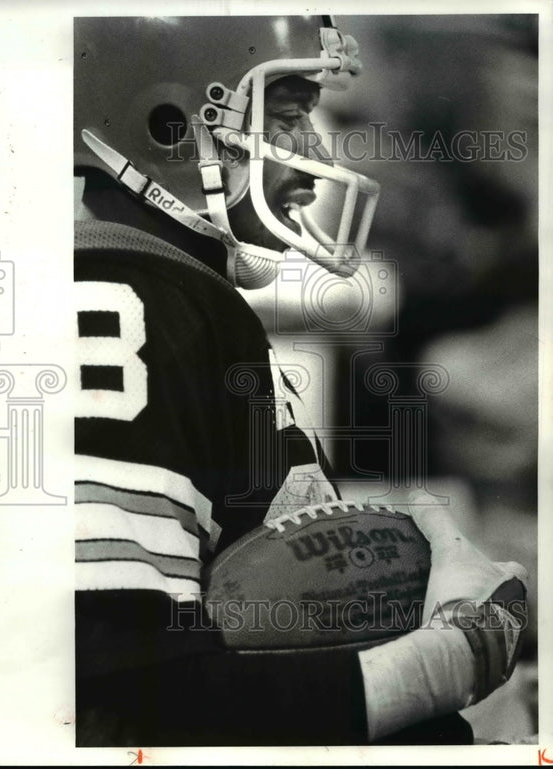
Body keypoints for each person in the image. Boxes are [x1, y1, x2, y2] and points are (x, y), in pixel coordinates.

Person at [73, 15, 527, 747]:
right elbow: (114, 700)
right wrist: (443, 661)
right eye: (287, 116)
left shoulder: (184, 295)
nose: (315, 151)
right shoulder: (136, 310)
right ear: (170, 129)